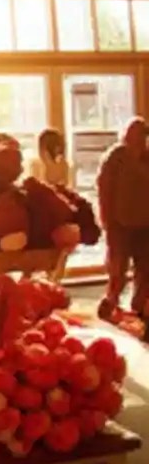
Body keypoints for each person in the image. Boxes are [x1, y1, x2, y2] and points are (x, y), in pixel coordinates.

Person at [95, 118, 149, 320]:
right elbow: (104, 189)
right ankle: (112, 300)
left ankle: (141, 303)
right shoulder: (115, 158)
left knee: (145, 269)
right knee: (118, 267)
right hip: (120, 223)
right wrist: (106, 220)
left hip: (145, 224)